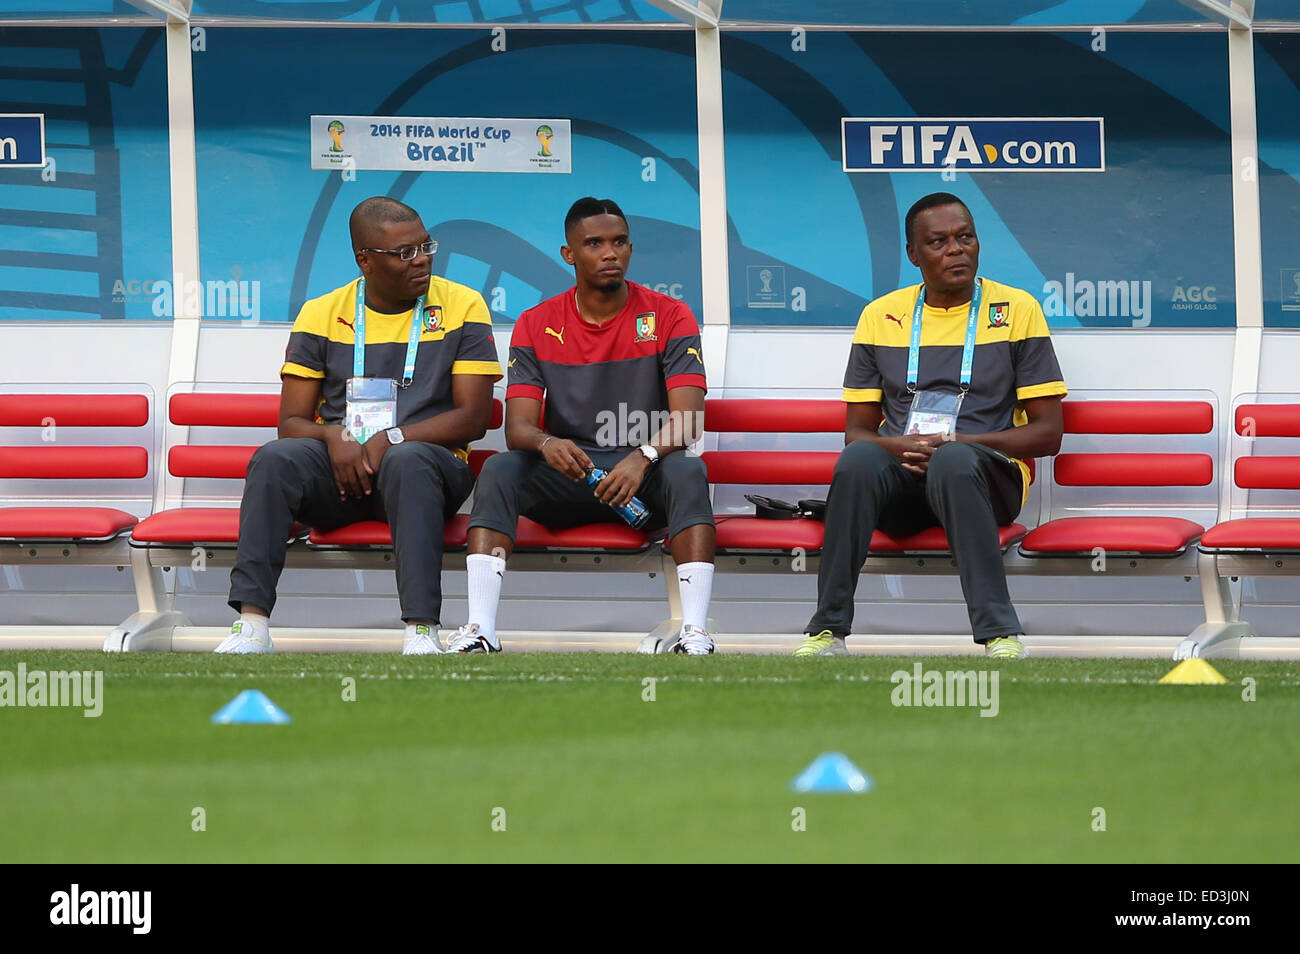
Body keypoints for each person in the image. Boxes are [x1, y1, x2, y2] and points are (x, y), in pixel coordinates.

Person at [217, 196, 502, 654]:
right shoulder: (322, 312)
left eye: (426, 246)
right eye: (405, 252)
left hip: (428, 471)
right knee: (273, 460)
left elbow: (474, 417)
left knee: (407, 460)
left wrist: (390, 438)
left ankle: (421, 630)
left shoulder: (463, 304)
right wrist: (336, 436)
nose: (423, 259)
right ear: (365, 260)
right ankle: (252, 626)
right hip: (345, 477)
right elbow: (289, 423)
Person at [795, 192, 1066, 659]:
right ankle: (827, 631)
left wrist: (961, 442)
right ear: (913, 254)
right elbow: (857, 431)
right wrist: (900, 449)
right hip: (907, 481)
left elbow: (1048, 434)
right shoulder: (880, 316)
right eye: (938, 242)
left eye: (965, 238)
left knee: (956, 460)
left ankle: (999, 632)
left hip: (987, 477)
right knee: (858, 457)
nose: (956, 250)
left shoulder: (1016, 309)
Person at [447, 197, 716, 654]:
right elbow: (519, 428)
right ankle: (480, 629)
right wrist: (548, 443)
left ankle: (694, 632)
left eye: (619, 242)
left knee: (688, 470)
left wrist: (643, 457)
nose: (610, 253)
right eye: (594, 244)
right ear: (569, 254)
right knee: (500, 468)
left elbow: (687, 419)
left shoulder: (670, 315)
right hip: (570, 477)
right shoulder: (536, 323)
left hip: (639, 481)